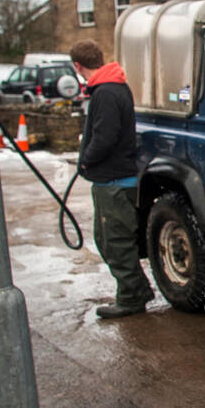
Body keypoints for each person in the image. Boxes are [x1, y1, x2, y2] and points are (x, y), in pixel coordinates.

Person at [69, 39, 154, 318]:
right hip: (114, 179)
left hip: (115, 181)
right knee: (108, 241)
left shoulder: (105, 92)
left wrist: (86, 159)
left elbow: (105, 137)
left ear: (77, 66)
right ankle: (136, 290)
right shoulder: (114, 87)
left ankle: (131, 298)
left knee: (116, 242)